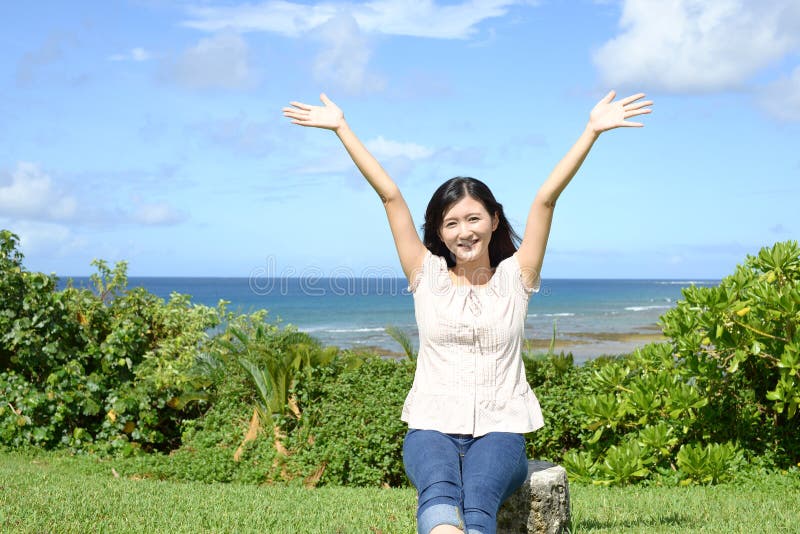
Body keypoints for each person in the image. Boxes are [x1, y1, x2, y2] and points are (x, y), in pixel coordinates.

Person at [283, 91, 652, 534]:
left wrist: (591, 131)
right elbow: (390, 196)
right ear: (439, 233)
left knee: (478, 500)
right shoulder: (425, 274)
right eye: (451, 223)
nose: (464, 232)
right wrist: (342, 127)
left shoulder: (517, 277)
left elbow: (546, 200)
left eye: (474, 219)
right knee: (438, 492)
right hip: (430, 428)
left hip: (501, 430)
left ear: (494, 220)